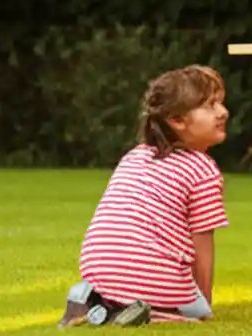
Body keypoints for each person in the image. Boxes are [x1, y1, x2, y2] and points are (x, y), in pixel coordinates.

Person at [58, 65, 230, 327]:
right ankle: (153, 312)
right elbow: (202, 241)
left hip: (97, 272)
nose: (223, 112)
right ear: (177, 120)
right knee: (193, 308)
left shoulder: (135, 156)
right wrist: (204, 303)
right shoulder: (202, 170)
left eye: (220, 103)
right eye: (210, 106)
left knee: (130, 283)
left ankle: (98, 304)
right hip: (151, 276)